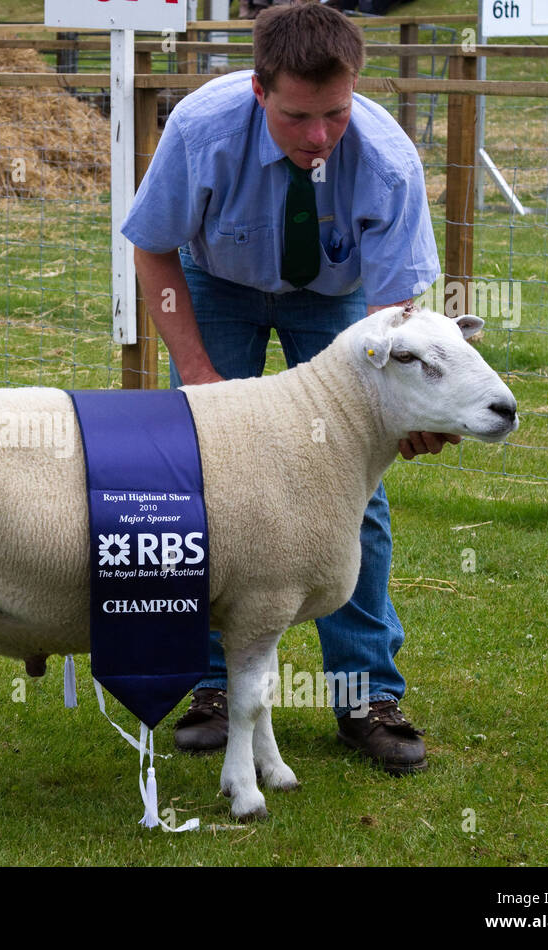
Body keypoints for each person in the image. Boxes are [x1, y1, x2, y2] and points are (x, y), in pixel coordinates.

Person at [122, 2, 451, 775]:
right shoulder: (201, 131)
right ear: (258, 91)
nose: (318, 137)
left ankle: (365, 692)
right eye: (298, 116)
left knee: (354, 490)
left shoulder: (389, 161)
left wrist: (395, 413)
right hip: (216, 282)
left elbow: (390, 326)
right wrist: (200, 378)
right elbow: (153, 249)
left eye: (335, 114)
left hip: (337, 301)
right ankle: (209, 682)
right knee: (201, 477)